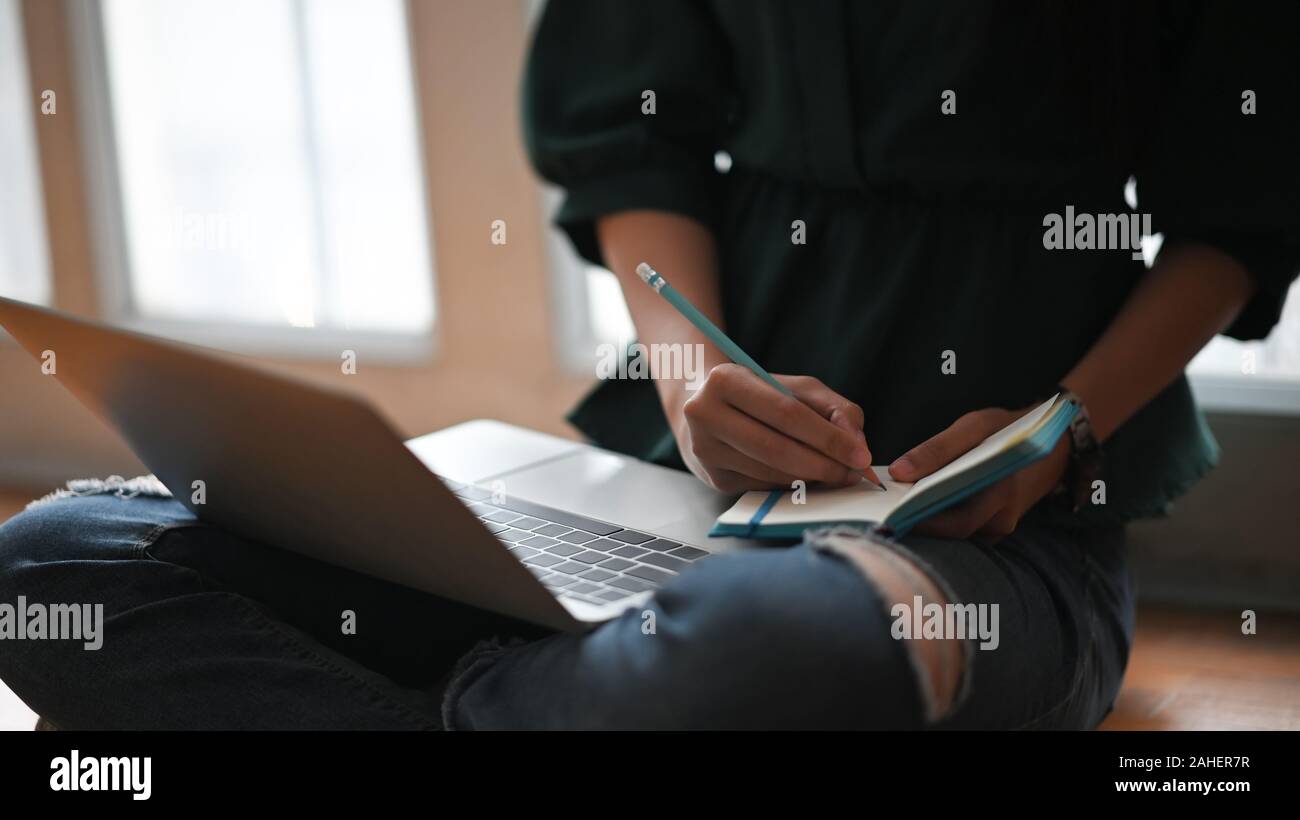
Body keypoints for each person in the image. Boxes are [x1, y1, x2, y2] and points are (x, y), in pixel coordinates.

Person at [0, 0, 1295, 729]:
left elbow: (1242, 206)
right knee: (47, 564)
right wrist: (687, 384)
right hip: (669, 497)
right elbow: (637, 143)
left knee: (773, 643)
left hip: (994, 537)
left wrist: (1060, 430)